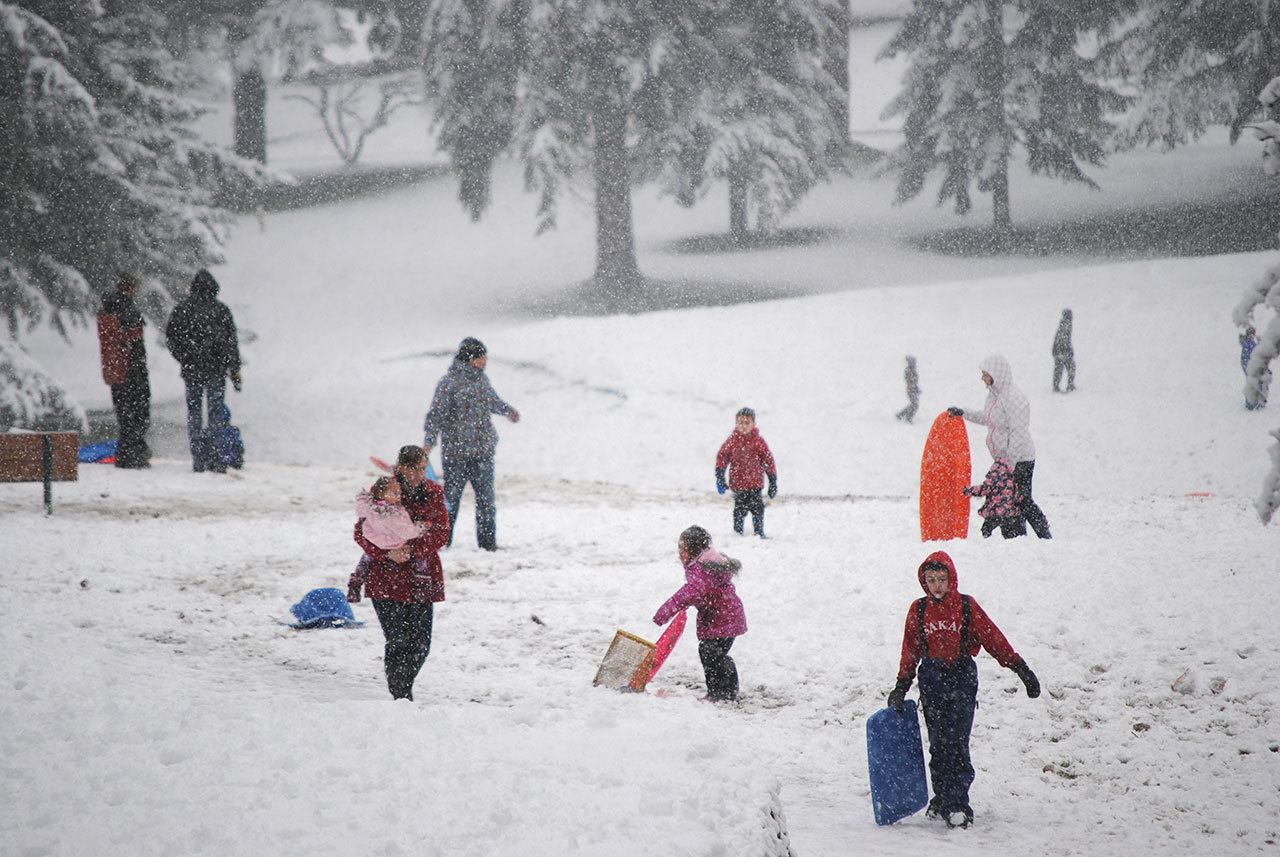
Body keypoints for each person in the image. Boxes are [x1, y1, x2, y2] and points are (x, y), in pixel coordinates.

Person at [886, 551, 1040, 830]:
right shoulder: (918, 610)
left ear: (951, 579)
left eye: (942, 579)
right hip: (932, 680)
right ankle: (941, 798)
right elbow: (909, 651)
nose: (937, 586)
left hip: (961, 678)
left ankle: (958, 804)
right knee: (938, 744)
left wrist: (1020, 668)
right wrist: (901, 686)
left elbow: (993, 638)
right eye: (931, 580)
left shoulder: (967, 607)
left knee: (956, 744)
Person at [348, 445, 451, 701]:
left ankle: (402, 691)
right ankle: (401, 697)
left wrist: (412, 550)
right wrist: (387, 553)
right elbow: (361, 532)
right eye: (412, 468)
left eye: (421, 468)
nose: (417, 474)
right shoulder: (383, 491)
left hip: (422, 578)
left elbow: (441, 533)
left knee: (420, 645)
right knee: (397, 641)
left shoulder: (434, 493)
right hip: (386, 578)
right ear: (400, 467)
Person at [423, 337, 520, 551]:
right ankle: (441, 542)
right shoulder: (448, 383)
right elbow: (435, 415)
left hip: (483, 451)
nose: (485, 360)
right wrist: (428, 443)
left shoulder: (482, 381)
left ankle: (488, 544)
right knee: (450, 502)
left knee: (486, 501)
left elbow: (493, 402)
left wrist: (508, 411)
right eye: (481, 356)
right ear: (470, 358)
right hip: (456, 454)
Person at [948, 355, 1051, 539]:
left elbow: (1018, 433)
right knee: (1010, 502)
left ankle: (1045, 536)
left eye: (985, 374)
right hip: (1004, 461)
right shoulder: (994, 396)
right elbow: (987, 419)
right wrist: (963, 413)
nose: (982, 378)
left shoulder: (1014, 398)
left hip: (1021, 460)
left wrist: (1008, 466)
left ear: (996, 374)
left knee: (1022, 500)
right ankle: (1017, 538)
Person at [653, 525, 747, 703]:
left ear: (694, 550)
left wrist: (664, 613)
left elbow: (690, 592)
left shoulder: (701, 569)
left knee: (710, 652)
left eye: (682, 549)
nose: (679, 554)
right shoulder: (708, 564)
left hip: (722, 619)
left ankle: (720, 692)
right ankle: (725, 690)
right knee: (713, 653)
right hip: (725, 617)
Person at [165, 270, 242, 473]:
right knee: (216, 413)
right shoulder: (221, 311)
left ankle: (198, 458)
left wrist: (184, 357)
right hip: (216, 370)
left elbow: (171, 338)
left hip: (192, 371)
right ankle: (216, 458)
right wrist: (234, 369)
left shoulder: (182, 310)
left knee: (194, 414)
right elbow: (231, 342)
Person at [96, 273, 151, 468]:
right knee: (138, 412)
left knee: (124, 413)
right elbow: (133, 341)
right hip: (132, 369)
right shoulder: (127, 309)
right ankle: (134, 454)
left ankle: (126, 454)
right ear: (131, 288)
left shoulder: (106, 309)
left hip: (114, 369)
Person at [715, 407, 778, 538]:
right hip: (739, 485)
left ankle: (759, 532)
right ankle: (737, 533)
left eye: (747, 423)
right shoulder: (732, 441)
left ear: (753, 424)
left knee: (758, 509)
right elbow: (722, 457)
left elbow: (768, 460)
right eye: (740, 422)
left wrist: (772, 481)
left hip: (755, 484)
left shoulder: (758, 442)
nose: (743, 426)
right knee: (739, 510)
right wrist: (720, 476)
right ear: (736, 424)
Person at [963, 457, 1023, 538]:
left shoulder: (993, 481)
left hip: (995, 512)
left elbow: (982, 490)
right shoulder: (1012, 482)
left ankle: (986, 540)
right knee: (1008, 533)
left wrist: (969, 490)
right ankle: (1010, 542)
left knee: (986, 529)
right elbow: (1018, 496)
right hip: (1008, 513)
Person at [1052, 309, 1075, 393]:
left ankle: (1056, 385)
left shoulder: (1064, 323)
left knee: (1059, 369)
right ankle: (1069, 385)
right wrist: (1066, 351)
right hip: (1063, 352)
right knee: (1070, 368)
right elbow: (1063, 339)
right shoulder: (1066, 324)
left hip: (1059, 351)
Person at [896, 356, 921, 423]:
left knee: (914, 405)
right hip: (911, 390)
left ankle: (901, 415)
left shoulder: (912, 370)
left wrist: (916, 388)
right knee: (914, 405)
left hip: (913, 389)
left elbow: (914, 381)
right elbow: (909, 380)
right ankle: (907, 417)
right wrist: (912, 387)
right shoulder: (909, 370)